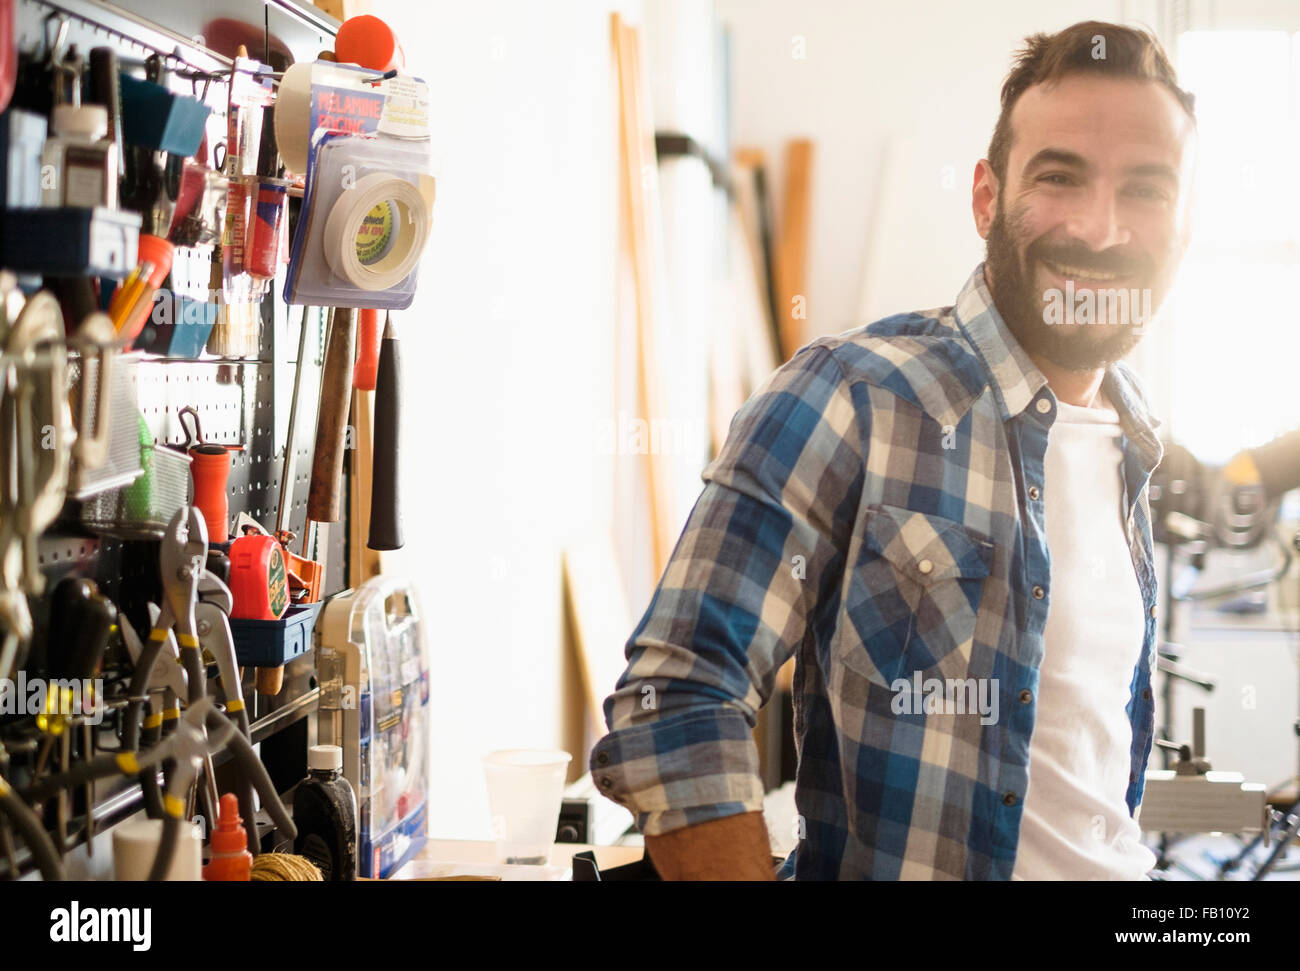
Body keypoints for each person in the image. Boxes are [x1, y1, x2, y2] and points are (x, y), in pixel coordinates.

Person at [590, 20, 1197, 880]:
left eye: (1146, 189)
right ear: (987, 198)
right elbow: (676, 697)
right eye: (1061, 177)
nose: (1101, 230)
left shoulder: (1134, 445)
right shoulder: (854, 397)